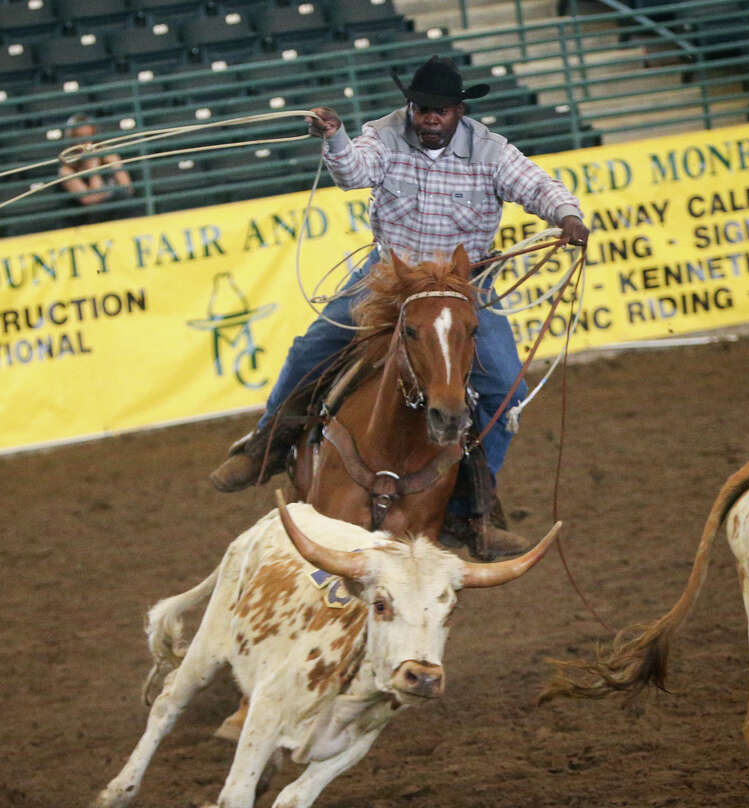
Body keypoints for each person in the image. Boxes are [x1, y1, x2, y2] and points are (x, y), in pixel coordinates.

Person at [209, 55, 590, 560]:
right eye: (421, 109)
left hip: (463, 286)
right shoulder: (385, 136)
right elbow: (353, 170)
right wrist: (335, 137)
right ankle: (265, 445)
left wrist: (566, 215)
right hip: (390, 276)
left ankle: (473, 510)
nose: (429, 119)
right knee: (312, 347)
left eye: (440, 111)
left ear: (458, 111)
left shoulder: (491, 152)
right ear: (411, 107)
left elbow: (538, 185)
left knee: (505, 389)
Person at [57, 112, 134, 209]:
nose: (85, 142)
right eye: (80, 137)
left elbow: (128, 189)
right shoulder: (66, 170)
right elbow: (89, 200)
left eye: (88, 135)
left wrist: (114, 163)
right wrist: (93, 168)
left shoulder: (107, 155)